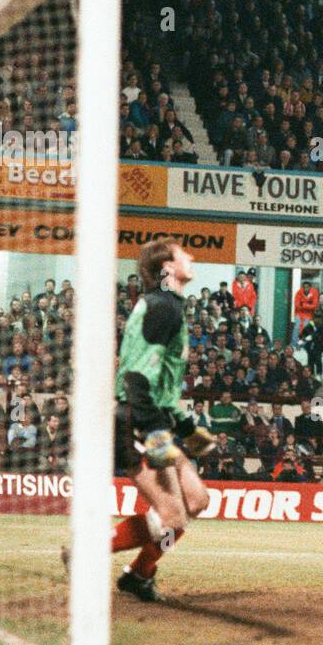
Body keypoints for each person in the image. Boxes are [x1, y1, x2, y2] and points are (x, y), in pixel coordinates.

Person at [105, 240, 214, 603]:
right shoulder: (163, 307)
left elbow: (161, 387)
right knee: (172, 517)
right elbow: (136, 377)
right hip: (135, 418)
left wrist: (184, 428)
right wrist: (154, 433)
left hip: (153, 416)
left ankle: (138, 574)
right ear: (167, 267)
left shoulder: (168, 306)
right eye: (184, 253)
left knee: (196, 500)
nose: (192, 257)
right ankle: (95, 550)